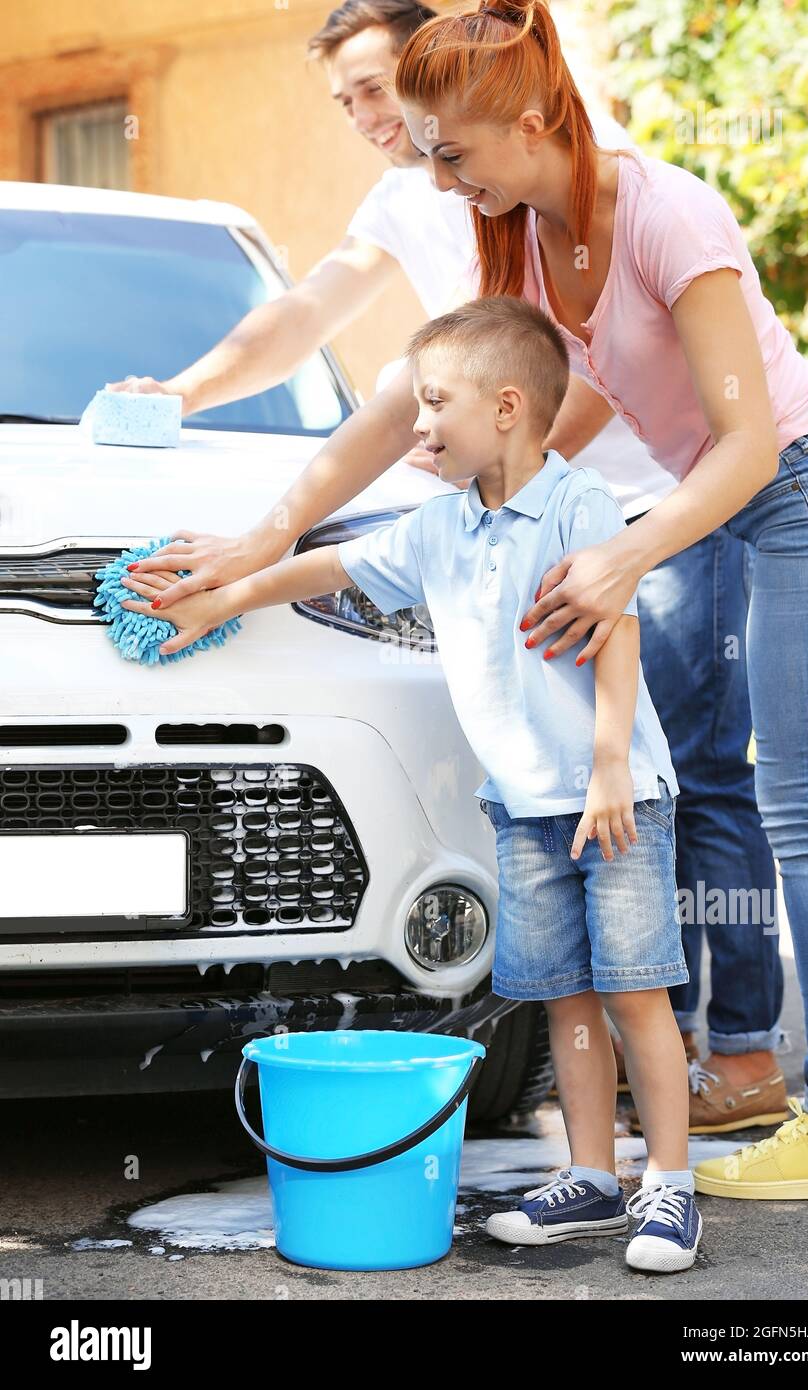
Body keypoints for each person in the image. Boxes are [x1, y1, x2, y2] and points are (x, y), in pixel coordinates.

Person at [127, 0, 808, 1197]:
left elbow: (748, 445)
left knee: (795, 808)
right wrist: (279, 531)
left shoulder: (665, 211)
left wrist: (620, 554)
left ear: (528, 124)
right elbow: (442, 395)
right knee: (740, 794)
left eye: (449, 150)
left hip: (806, 490)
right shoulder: (519, 231)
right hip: (701, 498)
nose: (434, 173)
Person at [120, 296, 704, 1272]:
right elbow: (324, 569)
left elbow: (616, 629)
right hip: (522, 808)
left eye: (433, 404)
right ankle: (592, 1177)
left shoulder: (577, 504)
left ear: (507, 408)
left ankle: (669, 1190)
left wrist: (607, 760)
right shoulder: (435, 528)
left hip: (615, 793)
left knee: (634, 991)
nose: (417, 425)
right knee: (560, 994)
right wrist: (211, 598)